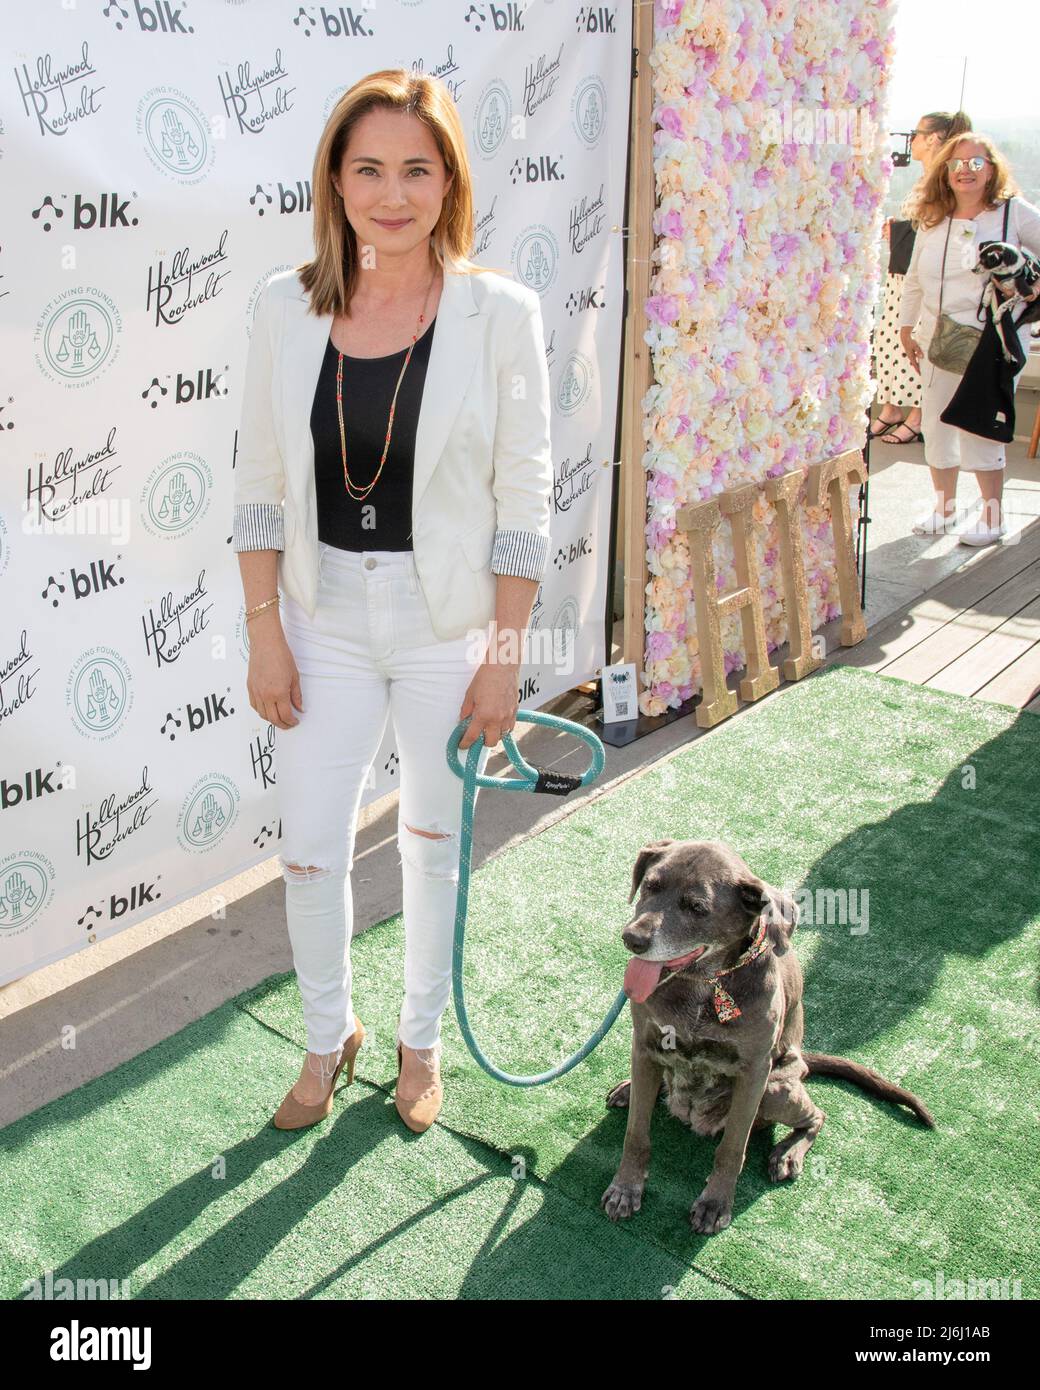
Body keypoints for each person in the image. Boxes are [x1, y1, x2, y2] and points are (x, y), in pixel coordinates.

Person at [231, 70, 553, 1132]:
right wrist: (264, 632)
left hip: (446, 629)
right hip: (322, 619)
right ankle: (330, 1035)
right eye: (367, 166)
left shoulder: (499, 315)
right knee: (310, 846)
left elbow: (522, 497)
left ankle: (420, 1038)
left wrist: (502, 655)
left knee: (430, 843)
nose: (392, 191)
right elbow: (260, 490)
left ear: (449, 179)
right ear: (333, 177)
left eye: (417, 167)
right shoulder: (283, 307)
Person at [899, 132, 1040, 545]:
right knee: (938, 424)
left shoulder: (1013, 214)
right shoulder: (934, 218)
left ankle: (993, 517)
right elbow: (913, 280)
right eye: (957, 162)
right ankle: (944, 509)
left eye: (976, 162)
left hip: (992, 343)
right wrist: (906, 328)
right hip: (937, 339)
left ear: (992, 169)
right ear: (945, 170)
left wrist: (1026, 285)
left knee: (981, 426)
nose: (965, 169)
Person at [873, 110, 972, 445]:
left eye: (916, 133)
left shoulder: (945, 179)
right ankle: (891, 410)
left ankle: (917, 417)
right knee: (889, 342)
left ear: (933, 138)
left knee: (916, 344)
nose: (911, 139)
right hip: (903, 273)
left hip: (924, 279)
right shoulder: (925, 178)